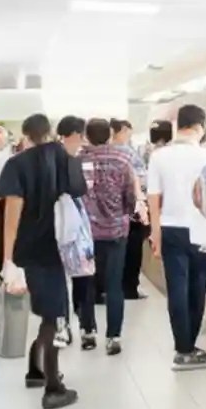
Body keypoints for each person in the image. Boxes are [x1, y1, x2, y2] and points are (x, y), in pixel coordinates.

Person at [0, 113, 83, 409]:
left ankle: (36, 370)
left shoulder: (16, 164)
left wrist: (8, 259)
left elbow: (12, 216)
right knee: (53, 315)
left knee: (48, 312)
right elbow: (78, 193)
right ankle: (53, 388)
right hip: (56, 247)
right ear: (50, 132)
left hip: (28, 248)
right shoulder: (66, 158)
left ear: (25, 135)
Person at [148, 105, 206, 371]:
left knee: (176, 288)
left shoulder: (159, 156)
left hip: (170, 228)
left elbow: (153, 198)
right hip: (201, 229)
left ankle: (183, 348)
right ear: (200, 127)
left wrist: (155, 233)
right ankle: (190, 344)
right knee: (198, 286)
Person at [77, 118, 136, 355]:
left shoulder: (78, 160)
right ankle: (113, 337)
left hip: (85, 232)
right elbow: (130, 194)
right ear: (110, 134)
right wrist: (125, 213)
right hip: (116, 230)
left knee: (86, 282)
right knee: (114, 285)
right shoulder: (123, 158)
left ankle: (87, 332)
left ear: (86, 136)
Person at [111, 118, 150, 301]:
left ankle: (111, 287)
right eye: (127, 132)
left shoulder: (101, 152)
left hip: (109, 212)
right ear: (119, 131)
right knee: (133, 249)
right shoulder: (127, 153)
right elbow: (140, 178)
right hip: (130, 207)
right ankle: (129, 287)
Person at [57, 116, 87, 348]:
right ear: (76, 134)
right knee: (78, 274)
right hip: (67, 224)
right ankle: (80, 323)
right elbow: (78, 188)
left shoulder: (43, 157)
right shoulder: (71, 159)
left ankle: (61, 324)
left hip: (46, 226)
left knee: (56, 278)